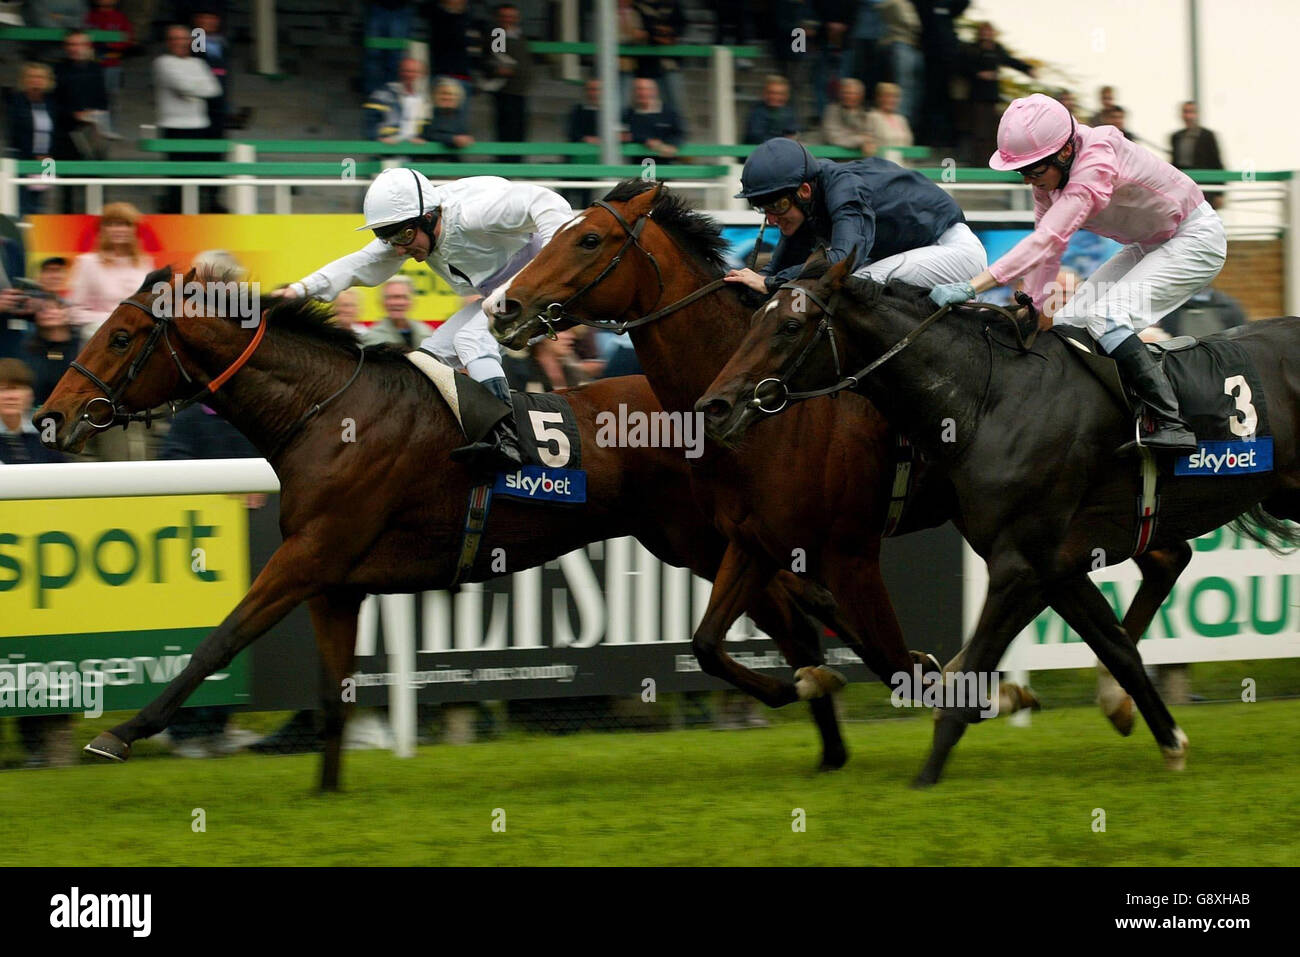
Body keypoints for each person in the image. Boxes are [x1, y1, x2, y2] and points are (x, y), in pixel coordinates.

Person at [928, 94, 1228, 453]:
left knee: (1106, 318)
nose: (1028, 181)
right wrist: (1036, 307)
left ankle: (1171, 422)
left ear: (1066, 152)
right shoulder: (1049, 180)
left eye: (1034, 171)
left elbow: (1046, 240)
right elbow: (1049, 251)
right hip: (1147, 244)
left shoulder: (1095, 164)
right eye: (1022, 172)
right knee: (1069, 323)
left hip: (1195, 237)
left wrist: (971, 286)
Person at [280, 167, 574, 468]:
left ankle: (508, 440)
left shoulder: (475, 213)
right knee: (426, 361)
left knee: (472, 340)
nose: (400, 248)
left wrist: (553, 265)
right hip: (503, 293)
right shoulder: (411, 228)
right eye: (389, 239)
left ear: (430, 217)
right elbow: (358, 263)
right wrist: (297, 290)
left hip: (542, 286)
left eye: (405, 236)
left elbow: (545, 201)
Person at [724, 137, 985, 295]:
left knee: (852, 285)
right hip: (915, 253)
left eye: (777, 206)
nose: (771, 219)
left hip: (953, 250)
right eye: (763, 209)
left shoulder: (844, 189)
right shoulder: (809, 195)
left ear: (803, 191)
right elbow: (775, 270)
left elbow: (841, 263)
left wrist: (769, 282)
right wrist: (753, 283)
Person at [0, 357, 75, 768]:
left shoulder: (46, 439)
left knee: (46, 651)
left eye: (17, 388)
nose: (11, 395)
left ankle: (45, 743)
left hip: (47, 566)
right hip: (6, 566)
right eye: (3, 389)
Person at [153, 23, 222, 213]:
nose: (179, 42)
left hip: (200, 126)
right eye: (175, 38)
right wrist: (196, 87)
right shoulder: (162, 62)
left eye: (183, 38)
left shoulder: (198, 63)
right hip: (174, 126)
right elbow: (184, 87)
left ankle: (199, 213)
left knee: (199, 174)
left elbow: (214, 89)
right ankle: (175, 214)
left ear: (190, 41)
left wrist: (193, 89)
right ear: (168, 42)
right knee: (178, 178)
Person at [66, 202, 153, 347]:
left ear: (134, 230)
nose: (119, 230)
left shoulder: (145, 263)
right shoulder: (88, 263)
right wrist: (113, 318)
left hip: (139, 340)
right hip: (100, 340)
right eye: (112, 224)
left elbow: (153, 306)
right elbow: (74, 311)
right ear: (103, 229)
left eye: (125, 224)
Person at [963, 22, 1034, 166]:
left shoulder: (997, 49)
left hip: (992, 96)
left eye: (990, 31)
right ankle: (977, 162)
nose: (987, 35)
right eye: (985, 31)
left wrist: (1027, 68)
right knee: (979, 131)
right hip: (977, 97)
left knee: (993, 130)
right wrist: (978, 74)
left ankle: (989, 161)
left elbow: (1010, 61)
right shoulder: (972, 49)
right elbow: (963, 67)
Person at [481, 2, 534, 162]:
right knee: (507, 131)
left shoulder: (520, 35)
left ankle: (517, 162)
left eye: (511, 16)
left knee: (520, 130)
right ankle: (506, 164)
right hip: (505, 90)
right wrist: (499, 69)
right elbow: (498, 59)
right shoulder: (499, 34)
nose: (508, 19)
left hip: (520, 90)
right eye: (504, 16)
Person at [5, 63, 60, 217]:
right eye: (32, 77)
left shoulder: (51, 103)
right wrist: (33, 155)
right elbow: (15, 133)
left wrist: (47, 155)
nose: (36, 80)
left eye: (40, 77)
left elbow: (55, 133)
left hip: (47, 161)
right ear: (24, 80)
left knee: (40, 204)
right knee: (22, 203)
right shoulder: (16, 101)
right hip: (22, 158)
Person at [364, 56, 432, 144]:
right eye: (407, 71)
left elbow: (427, 126)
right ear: (400, 72)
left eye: (415, 72)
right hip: (388, 150)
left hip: (415, 152)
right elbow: (370, 120)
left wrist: (423, 138)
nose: (410, 75)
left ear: (422, 75)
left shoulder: (425, 100)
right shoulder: (383, 93)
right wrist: (377, 138)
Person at [1171, 100, 1223, 209]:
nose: (1188, 116)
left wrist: (1219, 193)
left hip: (1204, 187)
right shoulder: (1176, 137)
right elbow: (1174, 164)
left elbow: (1216, 162)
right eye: (1186, 112)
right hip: (1183, 188)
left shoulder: (1207, 136)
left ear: (1197, 114)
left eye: (1191, 112)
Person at [360, 276, 436, 348]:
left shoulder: (427, 333)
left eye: (403, 297)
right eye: (390, 297)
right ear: (381, 302)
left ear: (412, 301)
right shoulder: (370, 339)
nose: (396, 303)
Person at [622, 77, 684, 163]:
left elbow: (680, 134)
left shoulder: (669, 112)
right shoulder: (628, 114)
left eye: (647, 89)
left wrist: (668, 145)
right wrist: (647, 141)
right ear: (634, 92)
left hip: (664, 167)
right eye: (639, 89)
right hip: (637, 168)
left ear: (655, 91)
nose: (643, 93)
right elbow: (624, 136)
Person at [822, 77, 874, 155]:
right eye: (846, 93)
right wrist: (861, 139)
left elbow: (872, 137)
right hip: (836, 160)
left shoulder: (866, 113)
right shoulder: (832, 110)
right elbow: (834, 137)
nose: (849, 96)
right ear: (840, 94)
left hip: (860, 160)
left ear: (861, 96)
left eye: (853, 93)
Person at [743, 75, 800, 144]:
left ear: (786, 96)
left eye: (779, 94)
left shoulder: (789, 112)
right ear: (765, 94)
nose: (775, 97)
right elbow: (756, 137)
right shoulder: (757, 112)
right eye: (772, 93)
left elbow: (793, 133)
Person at [864, 81, 914, 153]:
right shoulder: (872, 117)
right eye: (887, 96)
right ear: (879, 98)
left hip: (904, 162)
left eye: (895, 97)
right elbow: (868, 146)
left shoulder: (901, 119)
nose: (891, 100)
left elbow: (909, 145)